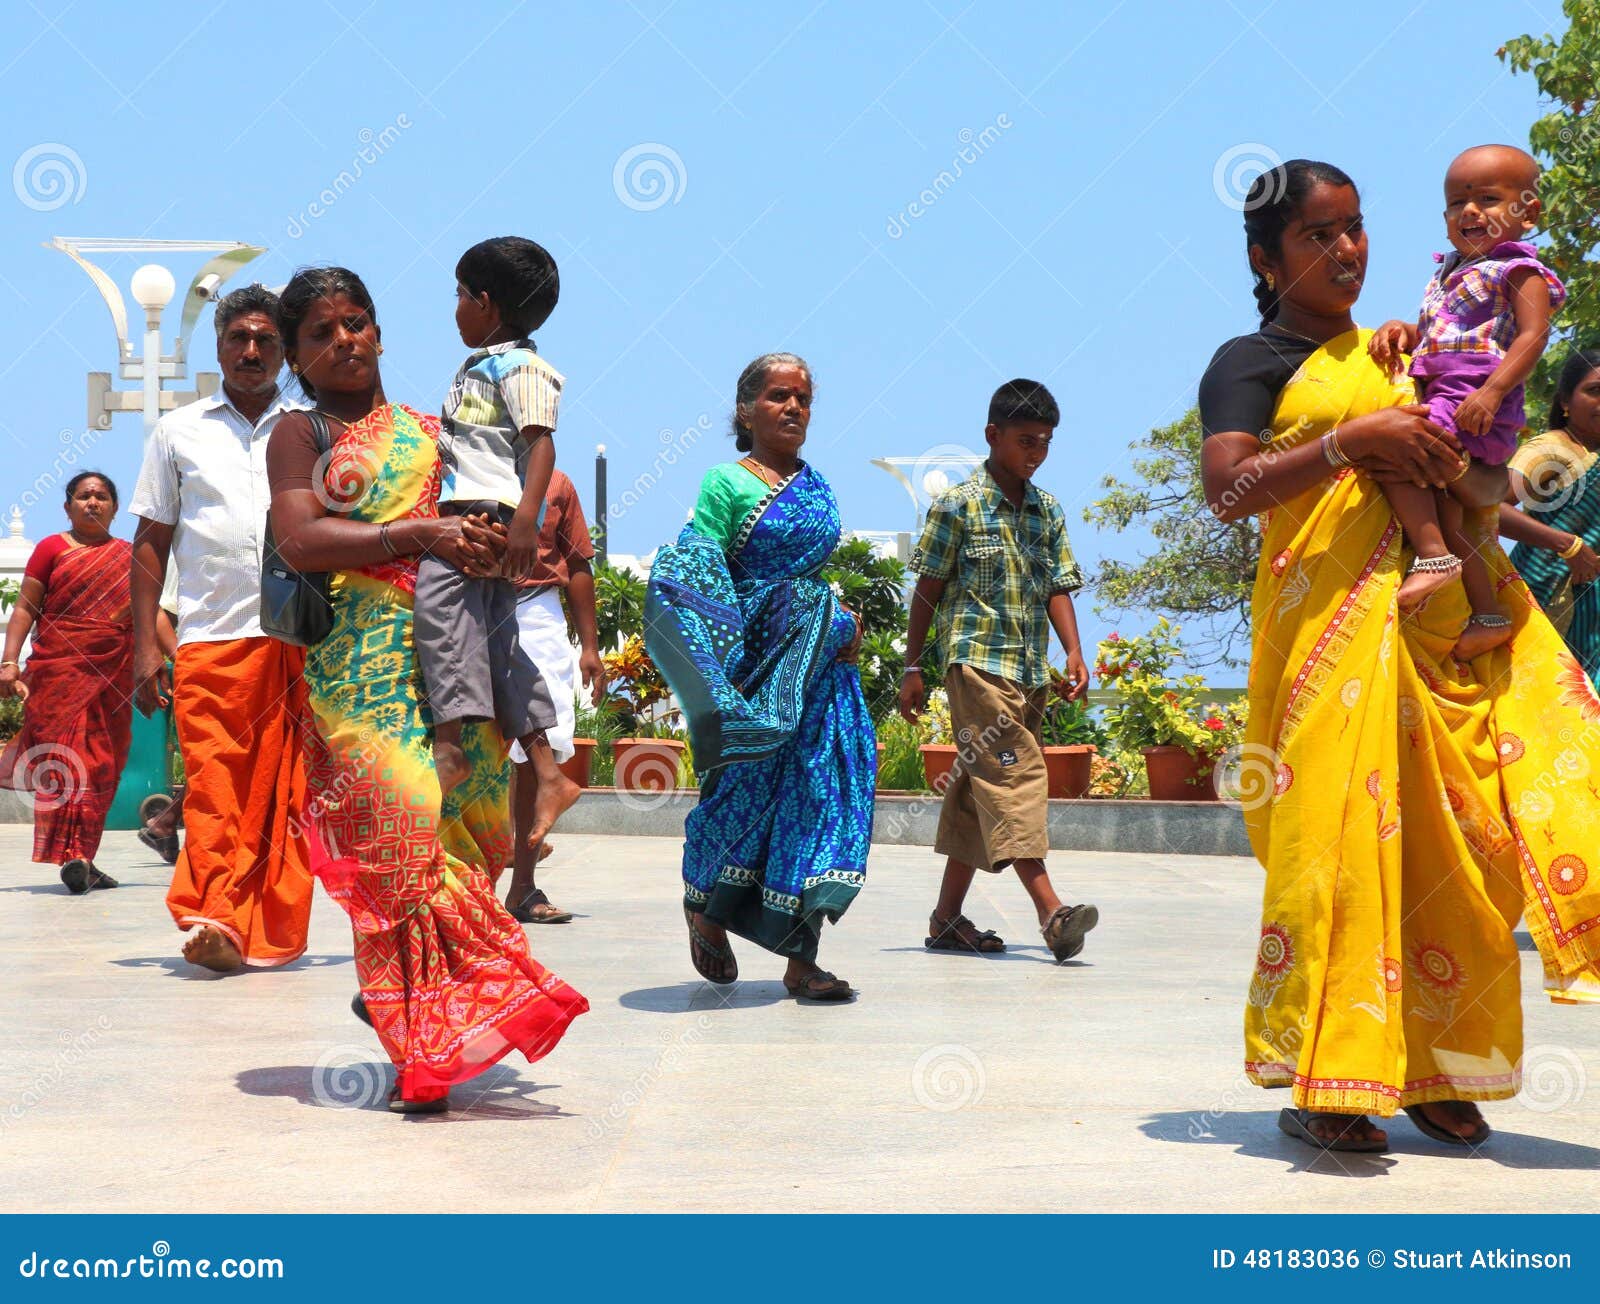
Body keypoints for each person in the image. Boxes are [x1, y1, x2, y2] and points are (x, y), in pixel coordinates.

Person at [1199, 158, 1600, 1155]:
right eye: (1317, 235)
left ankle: (1436, 1070)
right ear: (1264, 255)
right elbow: (1229, 490)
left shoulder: (1400, 352)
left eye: (1355, 227)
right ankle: (1329, 1079)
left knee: (1461, 855)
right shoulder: (1246, 361)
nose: (1346, 250)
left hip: (1433, 642)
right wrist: (1346, 441)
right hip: (1325, 656)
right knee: (1335, 862)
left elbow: (1464, 478)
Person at [266, 266, 587, 1114]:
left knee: (470, 838)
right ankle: (424, 1045)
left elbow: (494, 496)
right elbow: (299, 537)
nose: (347, 340)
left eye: (359, 322)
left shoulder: (430, 427)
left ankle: (417, 1019)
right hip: (357, 672)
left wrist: (483, 541)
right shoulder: (298, 434)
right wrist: (419, 532)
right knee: (402, 838)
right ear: (297, 355)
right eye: (323, 332)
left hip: (456, 660)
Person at [646, 353, 872, 1001]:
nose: (794, 407)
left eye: (803, 397)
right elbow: (698, 569)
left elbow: (812, 580)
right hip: (753, 672)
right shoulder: (727, 483)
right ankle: (707, 912)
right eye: (778, 396)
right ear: (746, 411)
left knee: (816, 797)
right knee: (739, 801)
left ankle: (802, 961)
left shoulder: (817, 484)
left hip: (820, 671)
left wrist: (835, 617)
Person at [129, 283, 313, 973]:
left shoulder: (313, 425)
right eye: (239, 338)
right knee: (212, 789)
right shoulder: (180, 431)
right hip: (210, 641)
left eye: (266, 340)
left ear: (285, 350)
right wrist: (147, 643)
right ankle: (214, 917)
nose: (252, 351)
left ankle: (260, 931)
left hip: (299, 641)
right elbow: (150, 540)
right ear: (219, 346)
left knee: (284, 798)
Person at [898, 380, 1099, 963]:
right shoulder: (957, 505)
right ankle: (1051, 912)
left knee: (974, 789)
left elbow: (1058, 586)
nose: (1035, 452)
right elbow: (928, 590)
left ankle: (944, 921)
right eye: (1025, 440)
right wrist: (914, 666)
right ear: (992, 436)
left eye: (1045, 443)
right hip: (975, 664)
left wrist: (1074, 652)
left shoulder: (1048, 510)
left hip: (1029, 669)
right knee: (1014, 775)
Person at [1367, 145, 1565, 659]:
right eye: (1458, 203)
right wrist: (1402, 330)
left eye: (1488, 199)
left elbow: (1533, 335)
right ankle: (1490, 614)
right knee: (1456, 516)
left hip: (1474, 393)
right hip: (1447, 387)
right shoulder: (1450, 271)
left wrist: (1494, 391)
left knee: (1396, 450)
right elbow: (1438, 335)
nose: (1470, 212)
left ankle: (1432, 558)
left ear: (1528, 212)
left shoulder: (1517, 271)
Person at [416, 236, 578, 857]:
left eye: (459, 295)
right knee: (504, 646)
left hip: (486, 513)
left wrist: (526, 522)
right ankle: (547, 768)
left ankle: (450, 743)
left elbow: (541, 444)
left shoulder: (521, 368)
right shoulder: (482, 365)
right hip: (485, 510)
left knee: (439, 607)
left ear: (485, 303)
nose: (454, 307)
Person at [0, 472, 133, 894]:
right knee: (66, 763)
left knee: (103, 765)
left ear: (114, 507)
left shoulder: (130, 555)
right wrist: (8, 662)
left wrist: (163, 665)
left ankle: (84, 855)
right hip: (59, 674)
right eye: (83, 496)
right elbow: (24, 607)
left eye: (101, 497)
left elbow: (147, 617)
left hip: (113, 676)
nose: (92, 503)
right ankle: (76, 854)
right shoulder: (51, 549)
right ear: (67, 506)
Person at [502, 466, 604, 924]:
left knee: (533, 755)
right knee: (468, 744)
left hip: (537, 611)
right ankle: (464, 893)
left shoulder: (559, 483)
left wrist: (590, 647)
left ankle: (522, 889)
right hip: (470, 603)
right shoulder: (460, 465)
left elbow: (579, 562)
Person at [1499, 348, 1600, 679]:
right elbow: (1488, 507)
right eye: (1594, 391)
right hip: (1548, 604)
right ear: (1566, 402)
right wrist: (1567, 545)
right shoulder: (1553, 448)